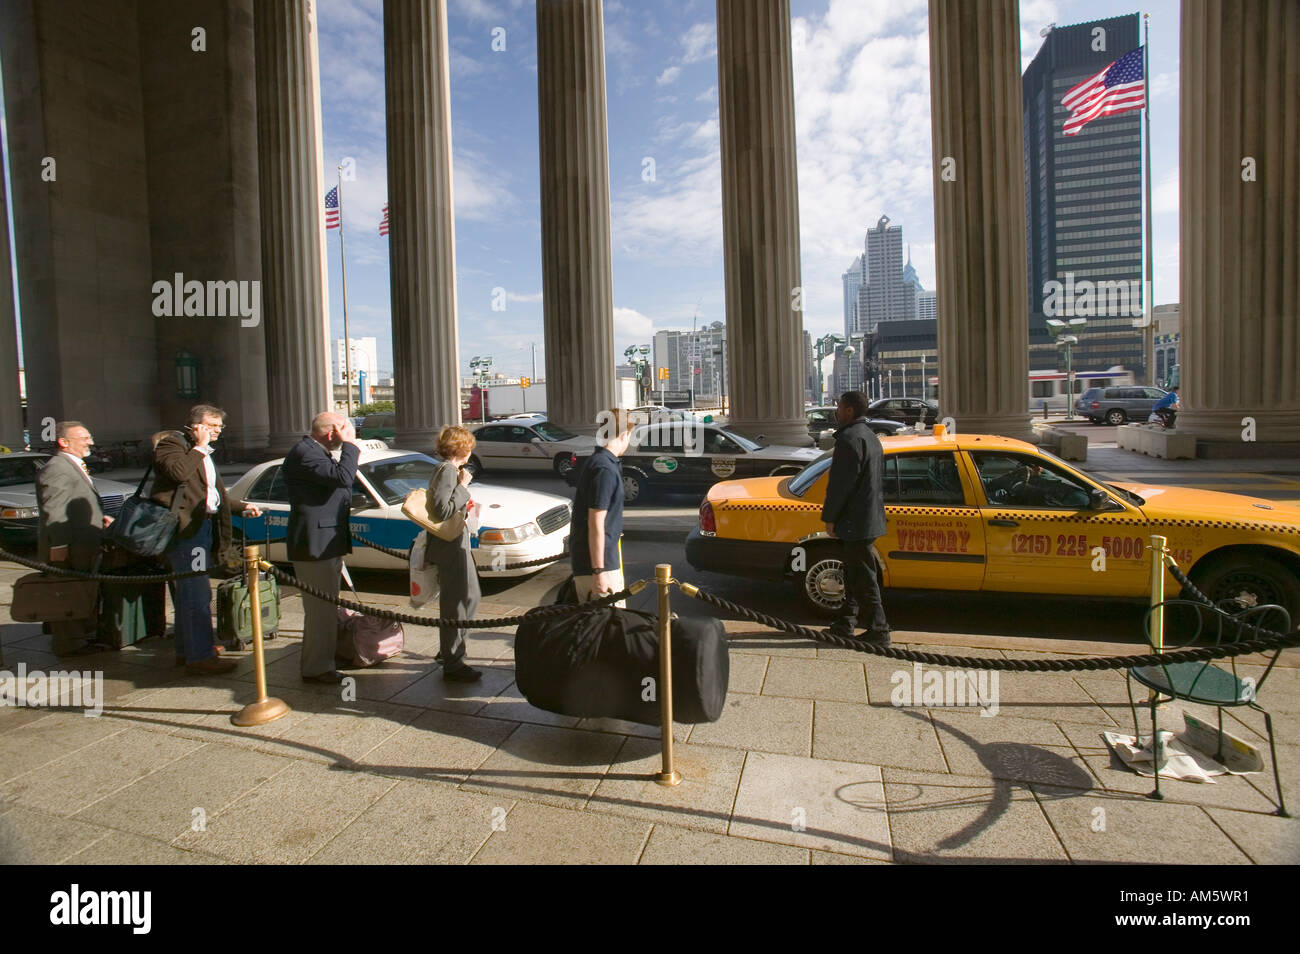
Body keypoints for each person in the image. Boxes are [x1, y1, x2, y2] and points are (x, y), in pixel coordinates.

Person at [151, 405, 260, 674]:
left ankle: (188, 649)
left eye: (219, 426)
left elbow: (212, 494)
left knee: (192, 592)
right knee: (196, 593)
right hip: (187, 532)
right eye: (212, 425)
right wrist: (199, 447)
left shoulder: (202, 452)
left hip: (204, 528)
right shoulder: (171, 445)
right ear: (195, 425)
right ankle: (200, 656)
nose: (217, 431)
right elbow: (177, 473)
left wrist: (240, 506)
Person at [283, 412, 361, 685]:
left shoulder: (315, 451)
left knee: (326, 608)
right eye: (345, 431)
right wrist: (350, 446)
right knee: (320, 610)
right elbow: (343, 478)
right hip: (315, 545)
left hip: (325, 540)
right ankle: (316, 668)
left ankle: (324, 659)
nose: (348, 437)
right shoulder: (306, 453)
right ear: (332, 433)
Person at [35, 421, 113, 655]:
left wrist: (99, 518)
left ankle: (79, 637)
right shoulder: (57, 467)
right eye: (84, 438)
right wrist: (59, 546)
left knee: (80, 592)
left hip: (83, 543)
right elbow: (55, 511)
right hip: (70, 547)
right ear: (64, 442)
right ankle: (69, 645)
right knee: (66, 594)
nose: (90, 442)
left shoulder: (71, 465)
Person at [821, 391, 890, 645]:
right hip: (868, 518)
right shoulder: (870, 437)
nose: (836, 411)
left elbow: (840, 486)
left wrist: (830, 517)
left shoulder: (849, 439)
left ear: (849, 410)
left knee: (862, 577)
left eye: (839, 407)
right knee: (853, 573)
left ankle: (879, 630)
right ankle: (845, 623)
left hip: (855, 521)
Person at [424, 425, 482, 683]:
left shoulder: (445, 469)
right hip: (450, 545)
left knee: (468, 596)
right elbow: (441, 510)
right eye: (468, 446)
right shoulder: (448, 471)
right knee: (459, 601)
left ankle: (450, 650)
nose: (471, 451)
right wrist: (463, 487)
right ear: (462, 449)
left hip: (452, 542)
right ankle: (452, 658)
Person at [569, 408, 634, 606]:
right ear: (624, 434)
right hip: (599, 565)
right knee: (610, 627)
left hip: (593, 561)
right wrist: (599, 572)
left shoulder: (599, 462)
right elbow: (596, 522)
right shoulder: (604, 469)